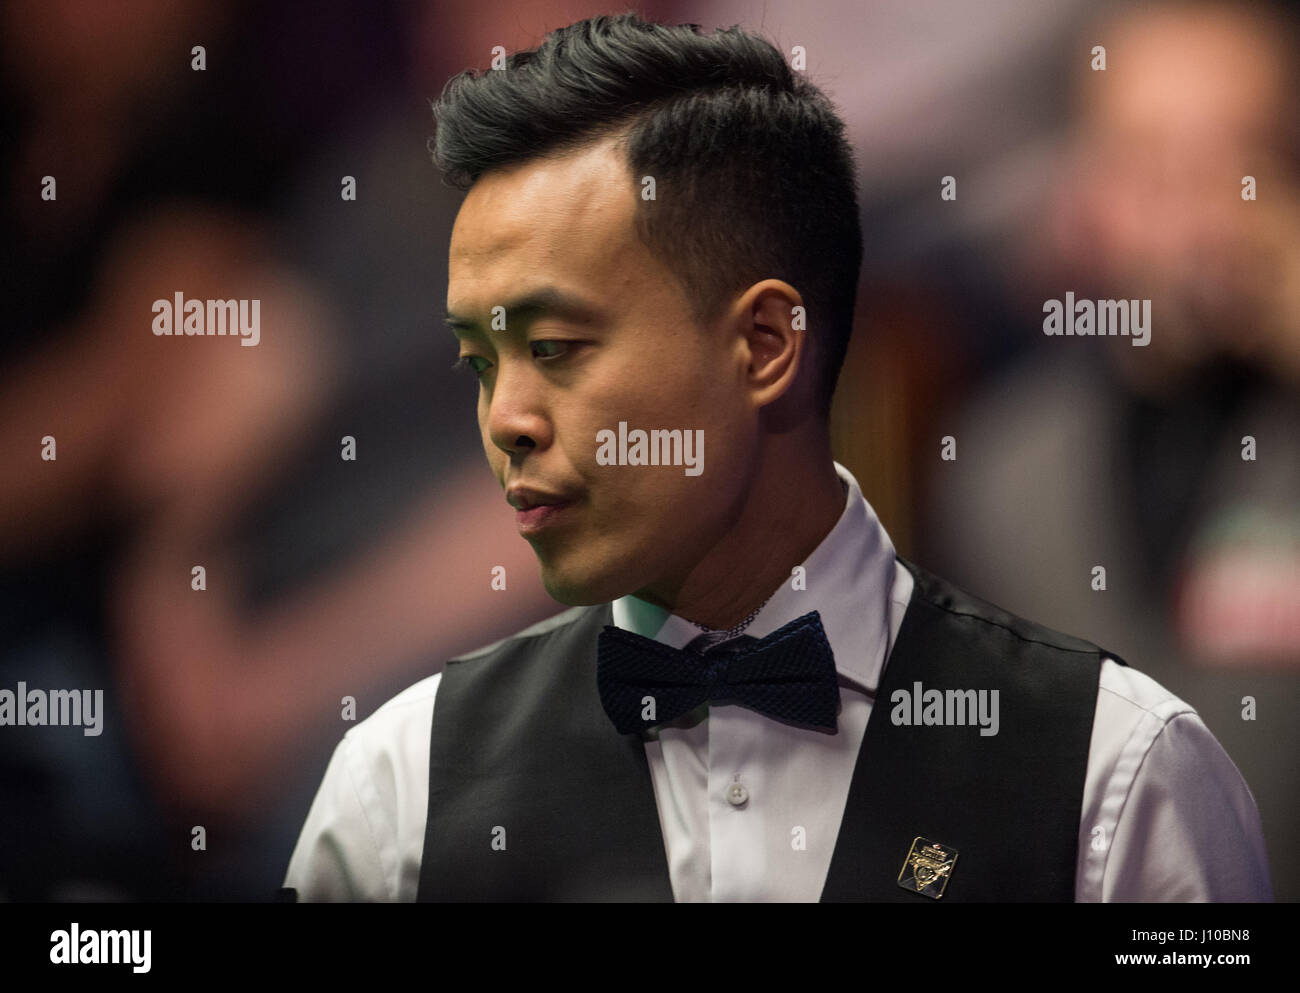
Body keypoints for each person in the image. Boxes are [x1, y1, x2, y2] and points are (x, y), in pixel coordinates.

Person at [283, 12, 1272, 902]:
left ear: (764, 346)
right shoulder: (396, 788)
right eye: (481, 361)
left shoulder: (1117, 776)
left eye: (557, 350)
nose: (505, 419)